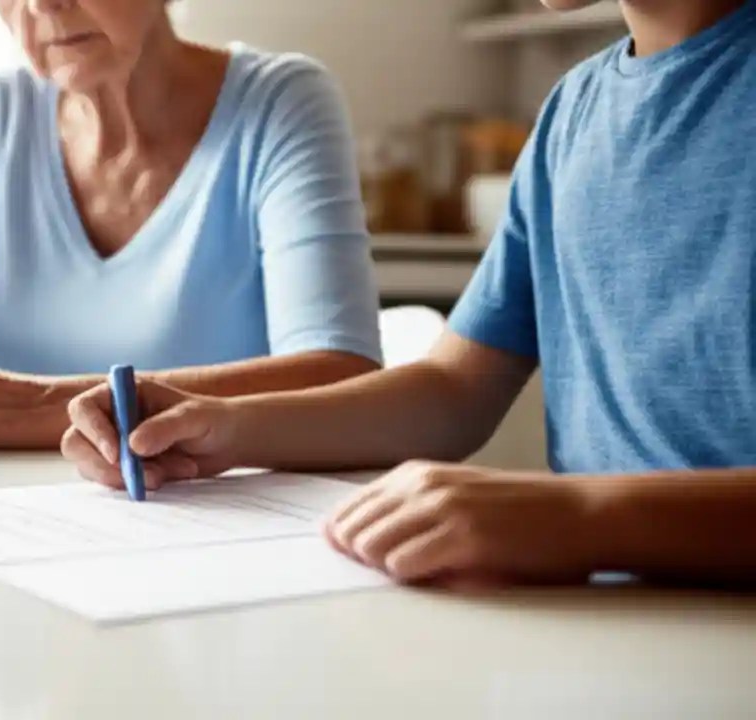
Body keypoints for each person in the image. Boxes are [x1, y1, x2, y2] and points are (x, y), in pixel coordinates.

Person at [63, 0, 756, 587]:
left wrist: (580, 515)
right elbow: (454, 389)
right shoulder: (572, 114)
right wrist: (224, 426)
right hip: (604, 628)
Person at [0, 0, 382, 456]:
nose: (43, 4)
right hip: (18, 522)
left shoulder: (281, 104)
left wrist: (8, 408)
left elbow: (341, 377)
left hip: (221, 519)